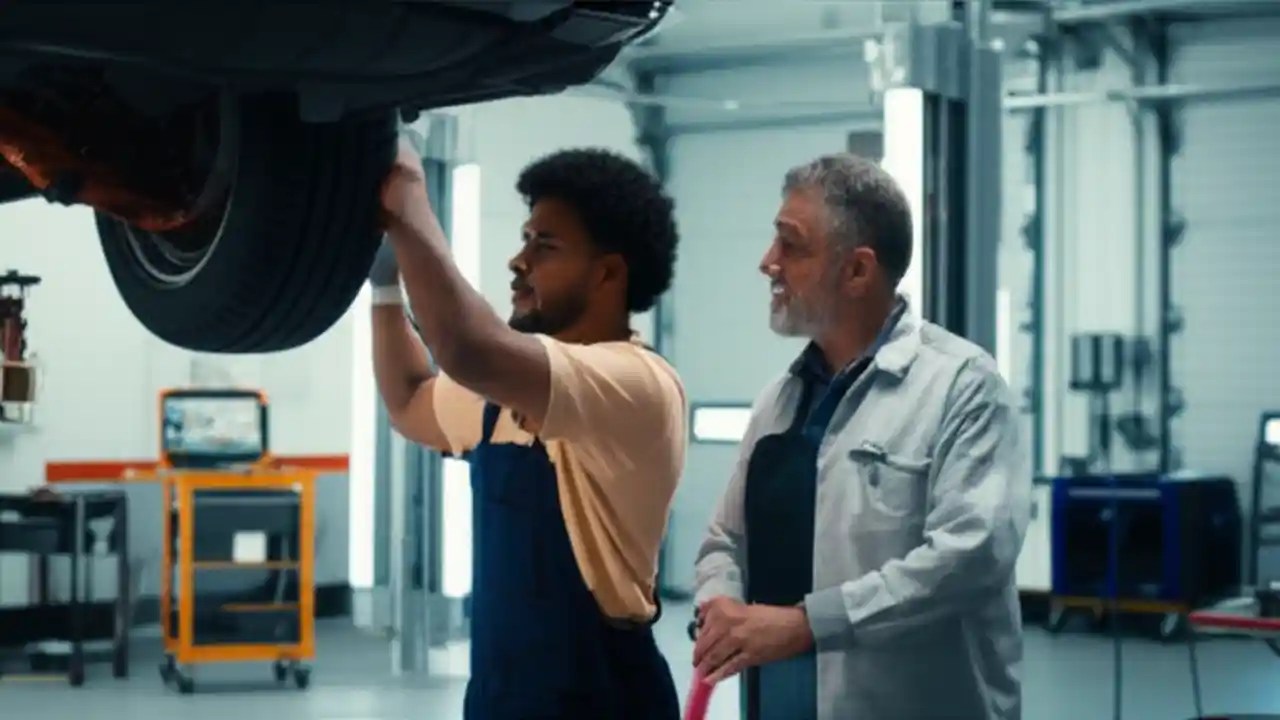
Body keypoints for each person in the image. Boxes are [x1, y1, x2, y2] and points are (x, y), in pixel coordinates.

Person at [691, 153, 1031, 720]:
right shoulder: (780, 400)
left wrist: (808, 625)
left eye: (790, 246)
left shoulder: (962, 387)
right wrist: (720, 602)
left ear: (857, 271)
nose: (767, 263)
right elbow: (726, 538)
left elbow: (969, 557)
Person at [371, 140, 686, 719]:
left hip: (600, 702)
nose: (519, 261)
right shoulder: (503, 394)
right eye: (525, 239)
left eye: (546, 246)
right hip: (502, 697)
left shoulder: (635, 383)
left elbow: (468, 347)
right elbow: (408, 401)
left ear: (607, 273)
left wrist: (409, 197)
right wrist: (386, 289)